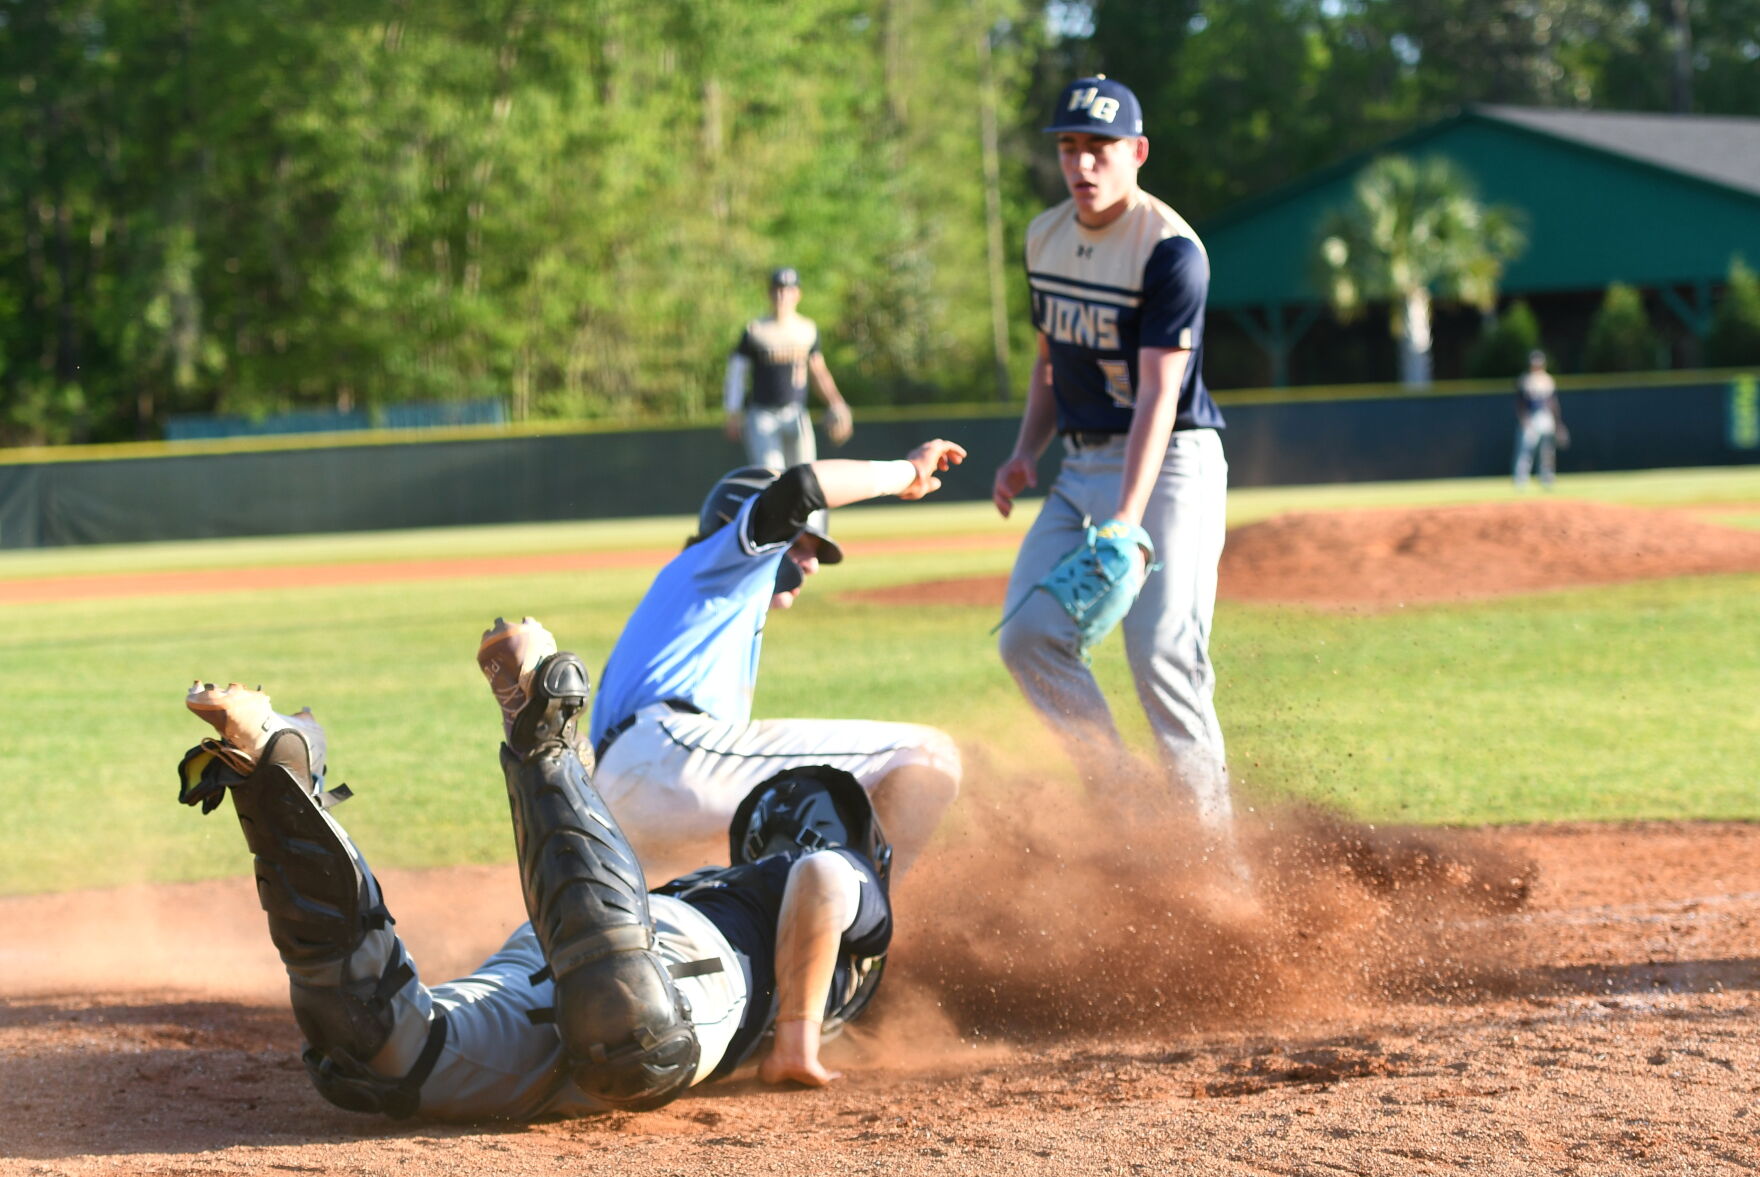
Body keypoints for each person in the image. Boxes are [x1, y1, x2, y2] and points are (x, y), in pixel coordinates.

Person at [175, 625, 895, 1121]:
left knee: (379, 1050)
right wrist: (799, 1037)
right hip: (659, 964)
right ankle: (545, 742)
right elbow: (826, 882)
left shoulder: (734, 882)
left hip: (571, 942)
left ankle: (277, 772)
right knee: (631, 1039)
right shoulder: (829, 887)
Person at [990, 76, 1238, 874]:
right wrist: (1027, 450)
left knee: (1162, 657)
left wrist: (1128, 522)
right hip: (1081, 461)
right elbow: (1051, 368)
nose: (1082, 162)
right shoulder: (1044, 236)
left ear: (1137, 152)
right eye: (1069, 145)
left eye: (1098, 146)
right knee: (1029, 636)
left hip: (1169, 467)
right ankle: (1132, 813)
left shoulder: (1171, 250)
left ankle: (1214, 870)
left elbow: (1161, 396)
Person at [577, 439, 967, 885]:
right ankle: (872, 927)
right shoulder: (726, 558)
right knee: (928, 754)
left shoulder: (692, 591)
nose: (812, 565)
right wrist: (908, 472)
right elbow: (800, 486)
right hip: (668, 762)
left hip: (622, 799)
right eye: (802, 543)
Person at [724, 267, 854, 469]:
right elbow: (737, 373)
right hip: (762, 413)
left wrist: (836, 402)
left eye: (787, 289)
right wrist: (733, 412)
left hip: (796, 412)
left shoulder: (807, 329)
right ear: (769, 293)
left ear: (797, 294)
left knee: (804, 475)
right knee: (770, 475)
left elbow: (819, 371)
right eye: (777, 289)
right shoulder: (756, 329)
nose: (781, 295)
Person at [1513, 348, 1566, 488]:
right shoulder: (1524, 379)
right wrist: (1524, 419)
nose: (1536, 365)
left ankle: (1547, 478)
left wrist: (1558, 424)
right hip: (1530, 416)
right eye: (1534, 362)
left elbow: (1554, 403)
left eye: (1539, 363)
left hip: (1545, 416)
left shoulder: (1548, 379)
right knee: (1526, 449)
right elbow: (1520, 403)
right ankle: (1521, 480)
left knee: (1547, 451)